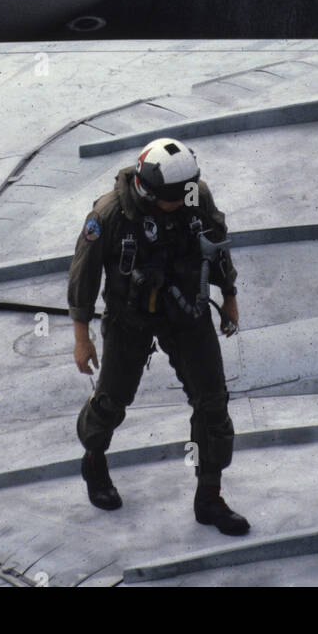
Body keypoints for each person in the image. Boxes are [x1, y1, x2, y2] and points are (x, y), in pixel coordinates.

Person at [68, 136, 249, 535]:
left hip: (188, 313)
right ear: (148, 191)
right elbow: (83, 274)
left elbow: (217, 245)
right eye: (174, 197)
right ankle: (94, 460)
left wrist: (230, 295)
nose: (185, 200)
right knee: (112, 401)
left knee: (213, 404)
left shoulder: (192, 195)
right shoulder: (110, 214)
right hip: (131, 318)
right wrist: (82, 338)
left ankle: (210, 498)